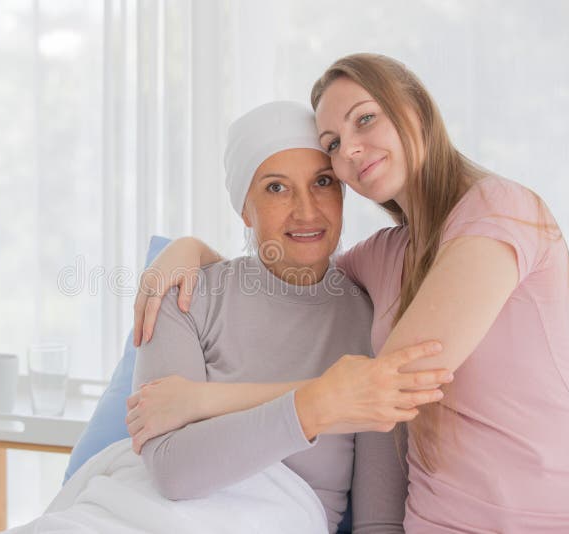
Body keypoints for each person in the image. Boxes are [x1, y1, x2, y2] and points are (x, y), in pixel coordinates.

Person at [130, 54, 569, 531]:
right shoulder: (381, 257)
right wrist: (188, 250)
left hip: (557, 513)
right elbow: (292, 270)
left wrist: (202, 401)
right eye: (334, 143)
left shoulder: (497, 210)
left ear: (415, 109)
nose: (353, 150)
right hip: (440, 520)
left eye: (365, 119)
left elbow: (383, 388)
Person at [127, 100, 453, 533]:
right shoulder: (183, 293)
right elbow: (172, 471)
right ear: (245, 209)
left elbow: (379, 520)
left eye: (322, 182)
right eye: (276, 188)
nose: (306, 210)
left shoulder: (373, 323)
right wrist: (320, 404)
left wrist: (316, 404)